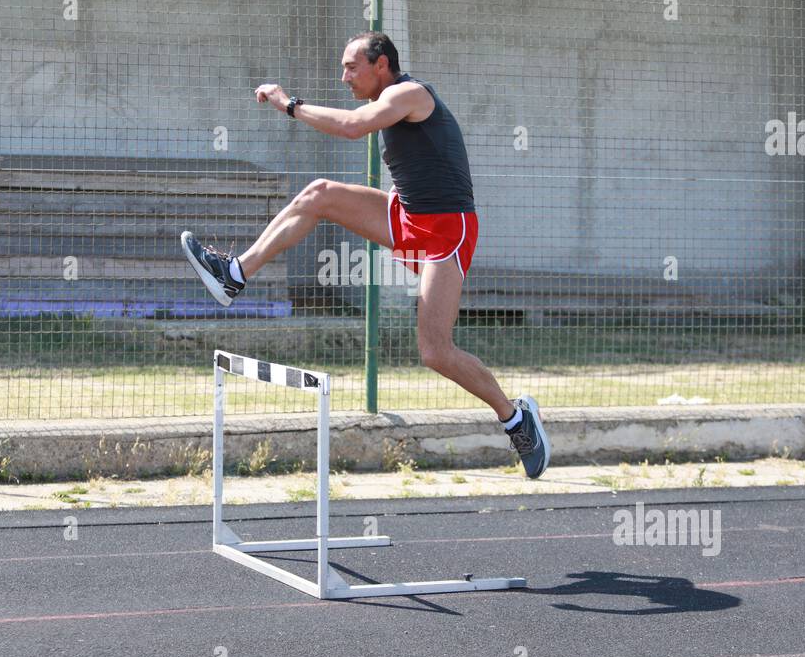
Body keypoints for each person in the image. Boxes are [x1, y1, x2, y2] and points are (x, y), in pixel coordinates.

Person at [181, 31, 550, 478]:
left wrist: (288, 104)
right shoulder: (391, 100)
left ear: (382, 65)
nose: (344, 77)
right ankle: (235, 274)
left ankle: (514, 418)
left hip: (445, 231)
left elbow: (354, 127)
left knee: (435, 351)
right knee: (319, 194)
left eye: (351, 67)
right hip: (406, 214)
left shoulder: (410, 93)